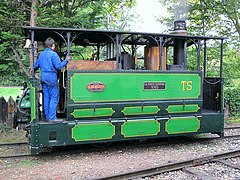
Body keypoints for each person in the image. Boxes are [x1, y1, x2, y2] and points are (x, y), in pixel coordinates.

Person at [34, 37, 70, 122]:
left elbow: (35, 66)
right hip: (51, 77)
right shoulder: (54, 55)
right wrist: (66, 61)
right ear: (53, 45)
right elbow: (58, 66)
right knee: (54, 97)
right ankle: (52, 118)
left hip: (43, 77)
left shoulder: (42, 54)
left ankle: (47, 117)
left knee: (46, 97)